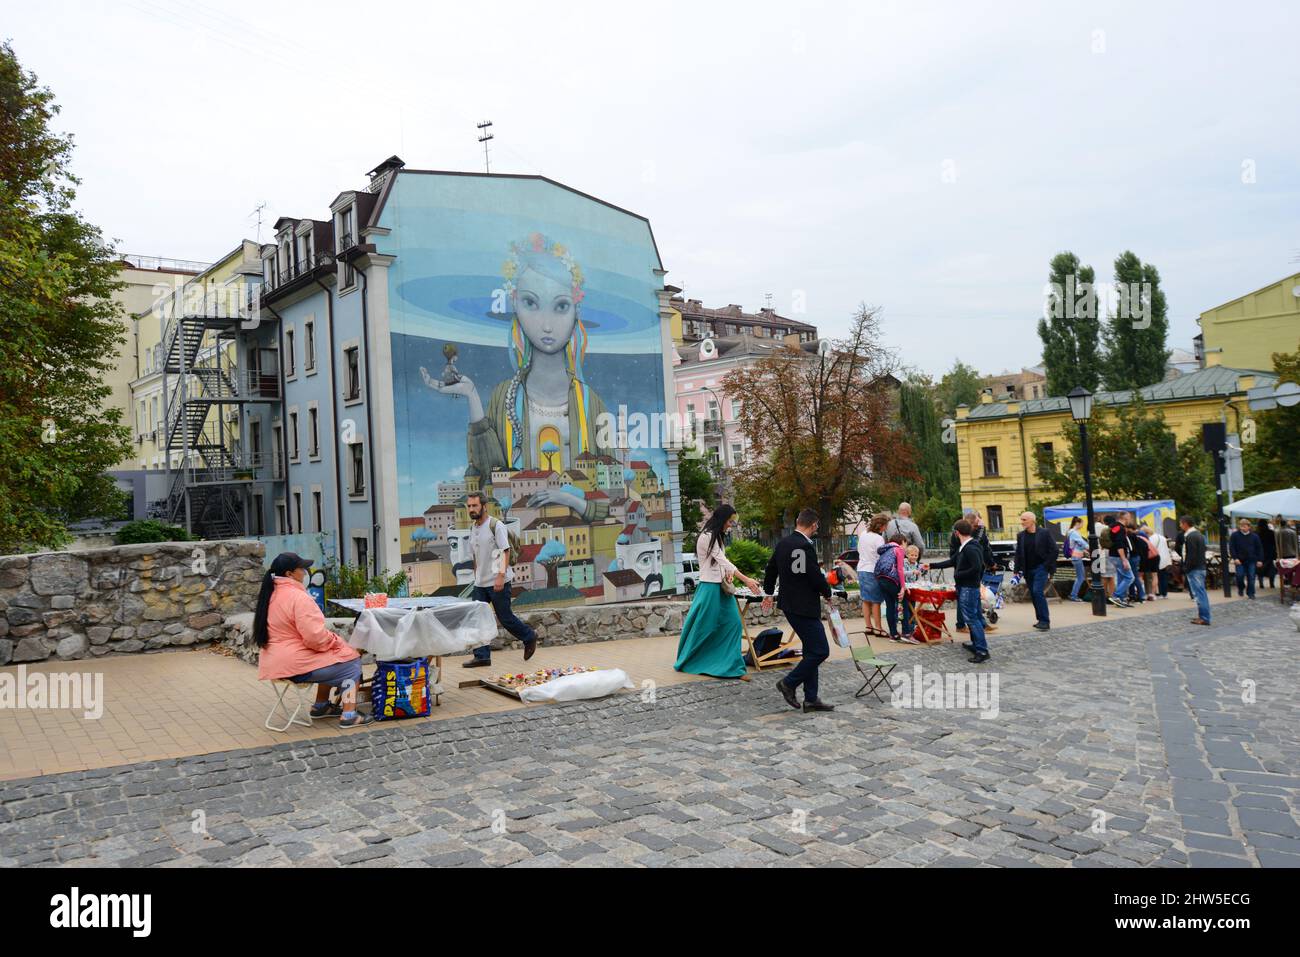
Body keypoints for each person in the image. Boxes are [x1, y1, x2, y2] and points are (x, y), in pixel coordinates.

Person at [421, 233, 612, 524]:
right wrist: (472, 397)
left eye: (560, 305)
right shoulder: (504, 397)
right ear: (515, 306)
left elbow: (612, 499)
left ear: (576, 310)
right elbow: (489, 476)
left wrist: (570, 499)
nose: (546, 324)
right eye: (531, 303)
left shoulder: (592, 404)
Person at [254, 552, 372, 728]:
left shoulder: (271, 593)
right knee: (352, 662)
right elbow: (314, 638)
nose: (305, 571)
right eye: (302, 568)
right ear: (289, 574)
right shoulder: (298, 597)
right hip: (294, 665)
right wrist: (335, 640)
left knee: (330, 657)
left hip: (274, 662)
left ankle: (320, 706)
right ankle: (349, 715)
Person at [674, 505, 762, 680]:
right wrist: (746, 579)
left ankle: (734, 667)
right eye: (730, 521)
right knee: (704, 628)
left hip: (720, 588)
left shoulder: (716, 538)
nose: (730, 525)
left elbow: (721, 563)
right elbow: (721, 560)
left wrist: (728, 575)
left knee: (734, 623)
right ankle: (690, 660)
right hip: (709, 589)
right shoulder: (707, 537)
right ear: (722, 519)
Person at [764, 509, 835, 713]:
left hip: (789, 604)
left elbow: (771, 569)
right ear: (813, 525)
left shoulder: (783, 543)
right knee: (821, 650)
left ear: (797, 522)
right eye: (817, 527)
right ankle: (788, 683)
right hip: (804, 606)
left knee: (811, 651)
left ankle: (811, 699)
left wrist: (768, 592)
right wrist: (827, 591)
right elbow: (813, 575)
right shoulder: (805, 546)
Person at [462, 492, 539, 668]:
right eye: (469, 506)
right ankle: (482, 656)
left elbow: (506, 551)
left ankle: (529, 636)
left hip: (498, 581)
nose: (472, 509)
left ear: (484, 506)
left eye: (475, 506)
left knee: (505, 618)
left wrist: (500, 576)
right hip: (480, 584)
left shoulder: (496, 526)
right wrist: (476, 576)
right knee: (477, 619)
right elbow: (475, 556)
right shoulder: (473, 528)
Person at [929, 509, 998, 633]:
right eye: (976, 526)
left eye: (978, 526)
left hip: (968, 571)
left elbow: (984, 550)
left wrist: (990, 563)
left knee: (974, 598)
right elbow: (957, 559)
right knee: (966, 600)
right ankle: (966, 627)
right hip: (964, 570)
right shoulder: (965, 541)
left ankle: (980, 624)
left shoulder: (969, 542)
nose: (977, 528)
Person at [952, 520, 990, 663]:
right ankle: (976, 645)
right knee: (973, 617)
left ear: (957, 533)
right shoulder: (966, 546)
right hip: (969, 587)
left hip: (969, 588)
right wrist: (931, 565)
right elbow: (952, 561)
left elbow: (977, 567)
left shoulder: (970, 548)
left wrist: (958, 575)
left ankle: (982, 650)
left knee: (972, 619)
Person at [1015, 511, 1056, 631]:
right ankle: (1040, 619)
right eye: (1021, 519)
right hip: (1028, 569)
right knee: (1033, 594)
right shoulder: (1021, 535)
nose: (1022, 522)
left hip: (1041, 568)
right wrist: (1017, 570)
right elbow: (1018, 553)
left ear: (1032, 520)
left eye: (1024, 520)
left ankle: (1045, 621)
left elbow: (1054, 550)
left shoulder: (1044, 533)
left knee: (1037, 591)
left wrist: (1045, 566)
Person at [853, 512, 890, 638]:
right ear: (881, 525)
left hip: (861, 568)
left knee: (866, 599)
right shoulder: (878, 538)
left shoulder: (863, 534)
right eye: (886, 525)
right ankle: (878, 628)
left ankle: (868, 626)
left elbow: (858, 550)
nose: (887, 527)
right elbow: (881, 556)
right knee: (876, 600)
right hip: (872, 569)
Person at [876, 533, 914, 643]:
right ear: (902, 541)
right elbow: (900, 569)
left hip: (881, 580)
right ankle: (906, 632)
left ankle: (893, 634)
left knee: (890, 606)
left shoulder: (886, 550)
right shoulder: (898, 549)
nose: (906, 546)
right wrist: (903, 587)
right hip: (892, 580)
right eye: (906, 543)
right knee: (903, 602)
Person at [1180, 516, 1210, 625]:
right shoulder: (1199, 535)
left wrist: (1186, 568)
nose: (1180, 526)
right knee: (1201, 593)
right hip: (1200, 567)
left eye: (1181, 523)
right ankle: (1203, 616)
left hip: (1195, 569)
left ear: (1185, 524)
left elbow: (1191, 555)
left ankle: (1204, 617)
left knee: (1199, 593)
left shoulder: (1191, 536)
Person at [1228, 517, 1264, 599]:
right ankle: (1241, 587)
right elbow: (1232, 547)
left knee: (1251, 577)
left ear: (1249, 527)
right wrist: (1235, 558)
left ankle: (1251, 593)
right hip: (1239, 560)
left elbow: (1259, 548)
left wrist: (1260, 560)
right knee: (1239, 576)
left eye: (1244, 526)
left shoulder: (1255, 536)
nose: (1242, 527)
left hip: (1251, 560)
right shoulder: (1235, 535)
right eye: (1241, 526)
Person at [1107, 513, 1135, 609]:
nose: (1130, 519)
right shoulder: (1120, 528)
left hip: (1112, 555)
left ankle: (1121, 599)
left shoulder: (1113, 526)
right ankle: (1116, 596)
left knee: (1121, 578)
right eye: (1129, 517)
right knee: (1130, 578)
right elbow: (1119, 544)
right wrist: (1124, 559)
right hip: (1118, 556)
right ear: (1125, 517)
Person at [1065, 516, 1089, 602]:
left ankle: (1073, 595)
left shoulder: (1071, 532)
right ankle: (1073, 595)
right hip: (1076, 556)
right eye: (1082, 523)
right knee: (1080, 577)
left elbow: (1077, 545)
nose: (1082, 525)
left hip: (1075, 556)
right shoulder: (1074, 532)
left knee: (1080, 577)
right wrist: (1090, 548)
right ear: (1078, 523)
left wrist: (1085, 551)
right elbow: (1082, 542)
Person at [1150, 525, 1172, 598]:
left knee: (1158, 576)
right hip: (1165, 559)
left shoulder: (1152, 538)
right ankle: (1164, 593)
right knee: (1164, 577)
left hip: (1157, 559)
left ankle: (1161, 593)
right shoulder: (1162, 537)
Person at [1258, 518, 1277, 590]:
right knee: (1271, 569)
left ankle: (1261, 584)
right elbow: (1275, 544)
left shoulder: (1257, 533)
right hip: (1270, 553)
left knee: (1260, 569)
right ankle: (1272, 584)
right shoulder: (1271, 533)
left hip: (1260, 553)